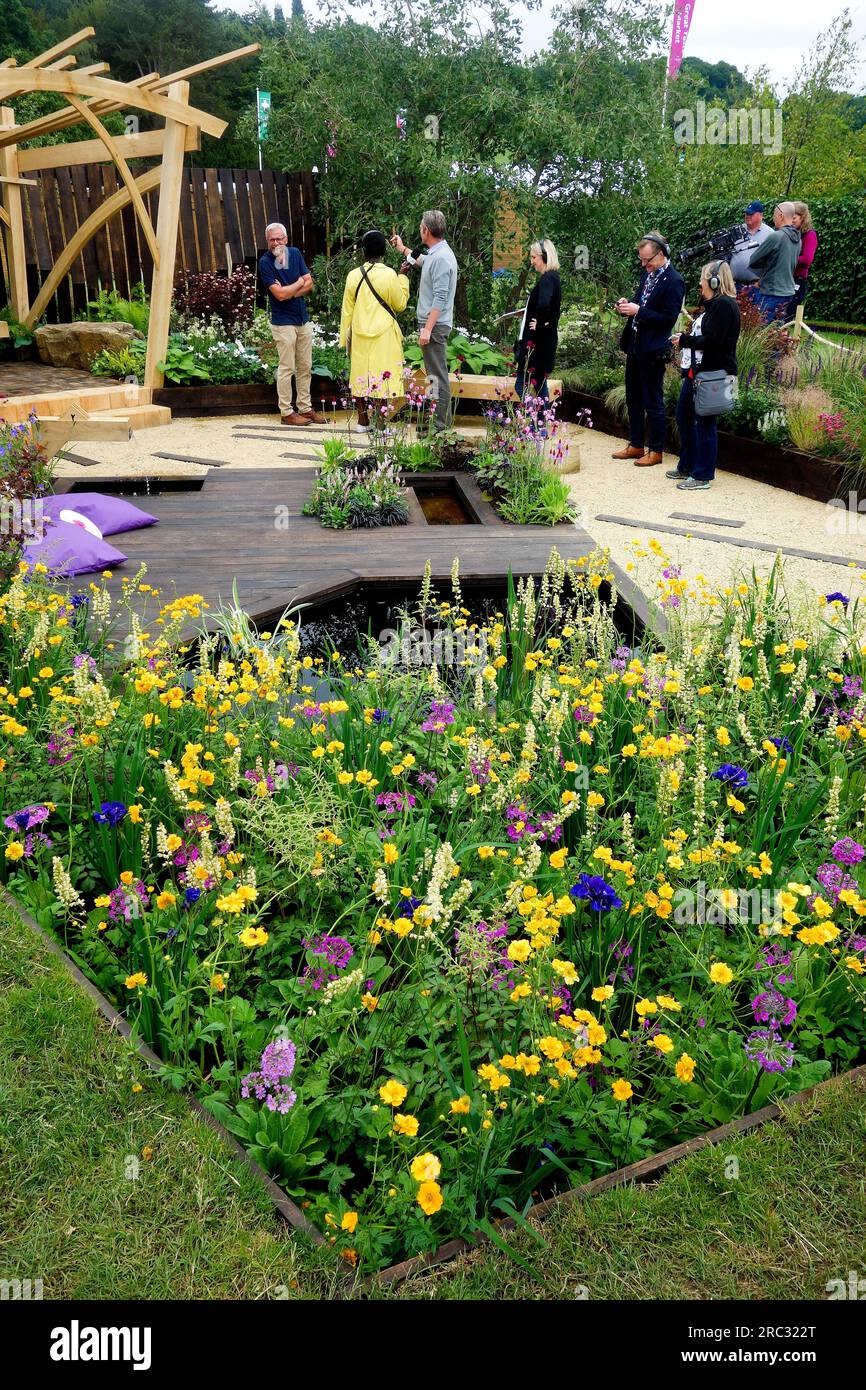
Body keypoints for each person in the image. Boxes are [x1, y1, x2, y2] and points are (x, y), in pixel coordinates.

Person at [612, 231, 685, 468]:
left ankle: (656, 450)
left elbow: (667, 318)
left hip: (653, 348)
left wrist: (638, 311)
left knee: (653, 400)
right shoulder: (649, 276)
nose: (644, 265)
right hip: (635, 344)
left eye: (648, 260)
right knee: (633, 397)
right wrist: (624, 306)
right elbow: (637, 303)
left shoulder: (674, 280)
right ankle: (635, 444)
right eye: (642, 260)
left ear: (661, 254)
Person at [667, 260, 740, 491]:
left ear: (714, 281)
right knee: (684, 417)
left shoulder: (724, 306)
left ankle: (702, 475)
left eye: (703, 277)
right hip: (698, 373)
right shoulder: (713, 305)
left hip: (713, 374)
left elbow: (713, 342)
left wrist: (684, 340)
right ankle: (688, 465)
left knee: (705, 423)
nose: (699, 282)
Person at [390, 210, 458, 431]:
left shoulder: (441, 258)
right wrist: (402, 249)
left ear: (426, 230)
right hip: (434, 325)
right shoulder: (437, 254)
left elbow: (440, 296)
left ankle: (439, 427)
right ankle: (436, 422)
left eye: (421, 227)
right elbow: (423, 262)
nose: (420, 230)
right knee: (433, 375)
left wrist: (427, 329)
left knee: (437, 376)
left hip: (435, 326)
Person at [339, 229, 410, 430]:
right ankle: (380, 422)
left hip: (360, 332)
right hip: (384, 333)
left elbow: (347, 309)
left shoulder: (353, 275)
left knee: (360, 374)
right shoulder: (389, 275)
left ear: (363, 251)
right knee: (383, 375)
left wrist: (345, 338)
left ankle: (362, 421)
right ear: (383, 251)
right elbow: (400, 304)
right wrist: (403, 278)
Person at [258, 221, 325, 426]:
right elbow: (279, 295)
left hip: (302, 319)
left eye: (279, 238)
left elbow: (310, 283)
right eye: (272, 239)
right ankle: (286, 412)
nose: (276, 242)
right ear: (267, 241)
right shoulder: (265, 262)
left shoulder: (294, 254)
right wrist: (297, 283)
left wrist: (289, 291)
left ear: (286, 239)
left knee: (305, 365)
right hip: (282, 322)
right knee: (287, 367)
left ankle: (305, 409)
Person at [514, 239, 561, 405]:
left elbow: (543, 305)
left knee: (521, 384)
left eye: (534, 257)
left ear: (545, 256)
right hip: (545, 341)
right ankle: (540, 428)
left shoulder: (547, 279)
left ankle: (532, 425)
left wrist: (539, 324)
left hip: (537, 343)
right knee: (540, 385)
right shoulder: (553, 277)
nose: (532, 261)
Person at [748, 202, 800, 323]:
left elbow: (754, 260)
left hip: (771, 292)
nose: (773, 218)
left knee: (761, 332)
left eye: (774, 215)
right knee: (776, 332)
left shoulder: (776, 236)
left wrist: (764, 270)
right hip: (787, 291)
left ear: (781, 216)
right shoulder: (797, 238)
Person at [728, 201, 772, 297]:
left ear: (760, 215)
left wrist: (759, 283)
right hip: (734, 285)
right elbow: (728, 254)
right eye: (747, 213)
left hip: (755, 287)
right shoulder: (737, 231)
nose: (748, 216)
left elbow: (773, 261)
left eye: (751, 214)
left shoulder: (770, 234)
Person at [792, 202, 818, 309]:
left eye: (794, 217)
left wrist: (787, 258)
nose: (791, 220)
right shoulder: (790, 233)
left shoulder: (810, 235)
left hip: (797, 279)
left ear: (802, 218)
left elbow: (807, 260)